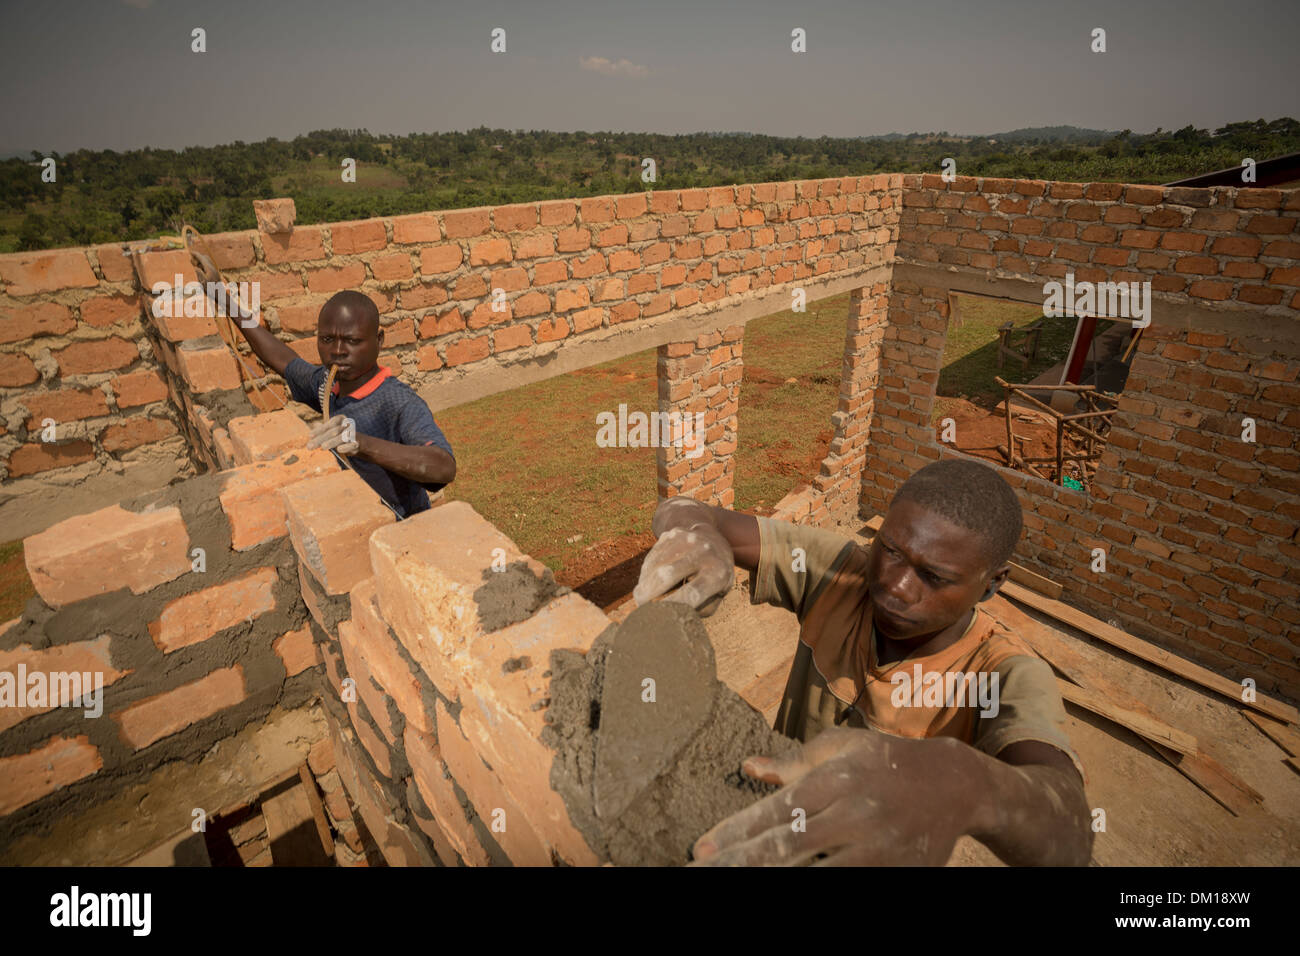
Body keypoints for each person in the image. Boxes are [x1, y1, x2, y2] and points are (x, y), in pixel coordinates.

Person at [633, 458, 1092, 866]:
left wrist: (965, 781)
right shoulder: (841, 575)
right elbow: (686, 508)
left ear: (992, 585)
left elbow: (1069, 829)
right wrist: (697, 537)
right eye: (890, 550)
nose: (895, 586)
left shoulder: (1001, 674)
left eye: (933, 577)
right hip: (767, 825)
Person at [234, 289, 455, 517]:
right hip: (355, 521)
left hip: (403, 529)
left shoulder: (398, 401)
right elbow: (284, 360)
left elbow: (443, 467)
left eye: (352, 340)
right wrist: (223, 299)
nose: (337, 351)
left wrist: (360, 443)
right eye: (327, 340)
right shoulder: (326, 384)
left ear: (379, 340)